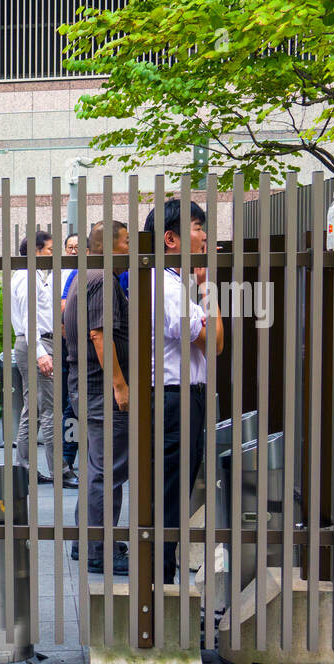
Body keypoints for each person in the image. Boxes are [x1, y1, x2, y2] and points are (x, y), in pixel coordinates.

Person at [145, 198, 225, 583]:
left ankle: (162, 582)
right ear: (171, 238)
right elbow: (215, 342)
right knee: (170, 495)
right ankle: (160, 588)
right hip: (174, 399)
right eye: (197, 226)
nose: (205, 234)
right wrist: (209, 284)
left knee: (173, 493)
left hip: (180, 398)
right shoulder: (167, 287)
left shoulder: (174, 283)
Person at [62, 220, 131, 574]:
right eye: (126, 241)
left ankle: (85, 541)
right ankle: (97, 549)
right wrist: (120, 386)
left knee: (94, 467)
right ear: (109, 246)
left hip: (83, 384)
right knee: (108, 472)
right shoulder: (104, 279)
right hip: (101, 390)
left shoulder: (81, 277)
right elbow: (99, 336)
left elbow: (66, 325)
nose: (132, 248)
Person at [10, 231, 55, 484]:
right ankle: (58, 469)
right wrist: (41, 353)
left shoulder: (30, 276)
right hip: (36, 342)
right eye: (49, 250)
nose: (52, 254)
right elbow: (30, 319)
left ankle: (25, 469)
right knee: (48, 409)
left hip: (33, 342)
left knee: (34, 409)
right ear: (37, 251)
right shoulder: (28, 278)